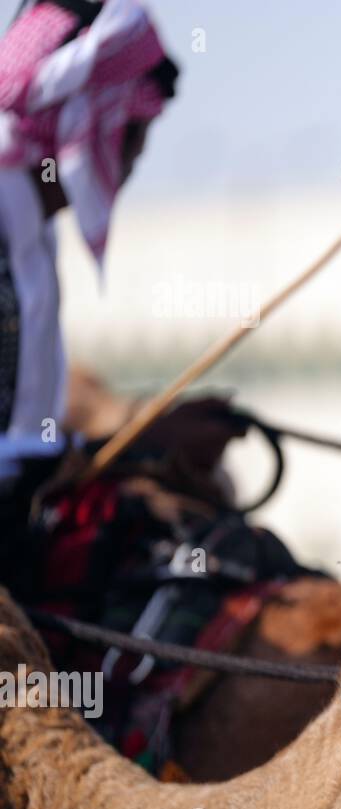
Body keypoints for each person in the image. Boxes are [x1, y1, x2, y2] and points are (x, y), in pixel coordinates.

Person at [0, 0, 179, 580]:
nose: (138, 157)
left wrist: (143, 440)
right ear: (93, 121)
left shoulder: (27, 227)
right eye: (138, 130)